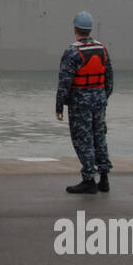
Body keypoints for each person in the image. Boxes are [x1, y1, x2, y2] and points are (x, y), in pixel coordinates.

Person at [56, 11, 113, 194]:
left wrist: (60, 105)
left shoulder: (72, 51)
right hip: (99, 99)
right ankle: (104, 178)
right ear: (90, 29)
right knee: (99, 137)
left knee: (83, 139)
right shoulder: (102, 48)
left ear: (75, 29)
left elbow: (65, 81)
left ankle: (89, 179)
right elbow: (109, 77)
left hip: (80, 102)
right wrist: (103, 96)